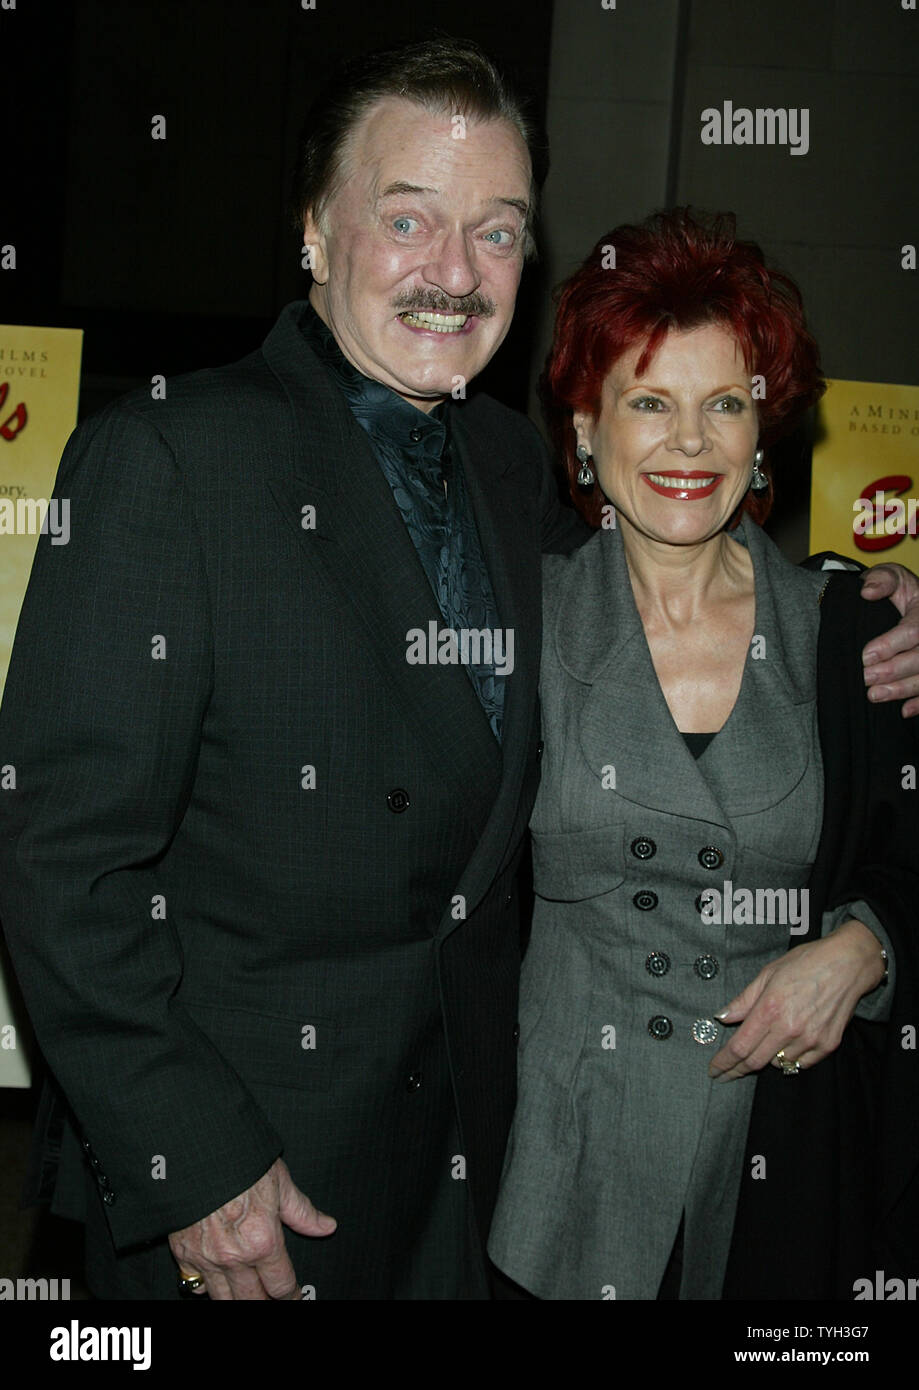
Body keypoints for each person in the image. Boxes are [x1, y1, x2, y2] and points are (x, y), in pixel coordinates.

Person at [0, 44, 915, 1303]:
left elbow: (664, 566)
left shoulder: (500, 466)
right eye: (408, 219)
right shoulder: (167, 462)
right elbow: (61, 864)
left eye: (496, 232)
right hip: (251, 1192)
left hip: (470, 1179)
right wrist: (193, 1162)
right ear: (317, 234)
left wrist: (862, 595)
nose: (453, 273)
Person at [487, 209, 919, 1300]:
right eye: (649, 402)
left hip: (780, 1156)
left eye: (724, 403)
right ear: (584, 427)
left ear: (762, 430)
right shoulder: (513, 625)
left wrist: (865, 946)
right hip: (558, 1160)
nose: (689, 442)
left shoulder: (855, 632)